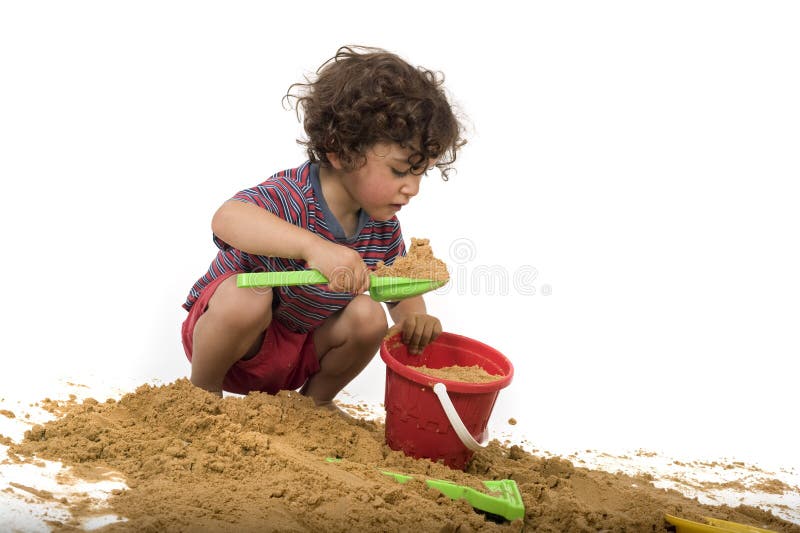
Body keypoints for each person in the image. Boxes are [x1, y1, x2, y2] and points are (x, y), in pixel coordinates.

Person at [180, 46, 465, 409]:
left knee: (368, 316)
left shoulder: (382, 228)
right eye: (399, 170)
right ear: (341, 151)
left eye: (419, 173)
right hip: (231, 339)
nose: (412, 187)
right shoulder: (294, 196)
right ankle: (200, 396)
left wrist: (416, 319)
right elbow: (228, 217)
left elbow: (397, 286)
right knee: (246, 295)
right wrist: (314, 248)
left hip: (298, 354)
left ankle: (311, 407)